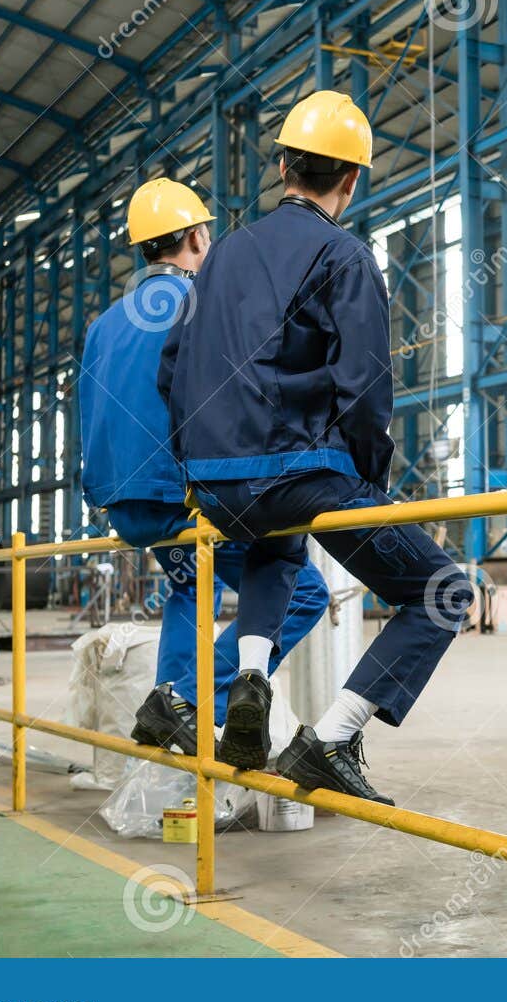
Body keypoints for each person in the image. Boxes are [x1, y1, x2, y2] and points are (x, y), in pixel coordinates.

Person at [159, 91, 472, 806]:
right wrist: (369, 482)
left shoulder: (222, 255)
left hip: (214, 485)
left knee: (274, 544)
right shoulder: (344, 255)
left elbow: (170, 370)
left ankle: (251, 680)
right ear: (352, 181)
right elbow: (363, 384)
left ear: (281, 166)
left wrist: (194, 469)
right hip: (299, 477)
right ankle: (330, 739)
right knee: (443, 591)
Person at [78, 178, 330, 771]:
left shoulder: (103, 325)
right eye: (207, 233)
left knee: (193, 583)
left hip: (124, 502)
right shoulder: (200, 303)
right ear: (195, 236)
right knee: (303, 588)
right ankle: (192, 696)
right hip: (179, 495)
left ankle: (168, 704)